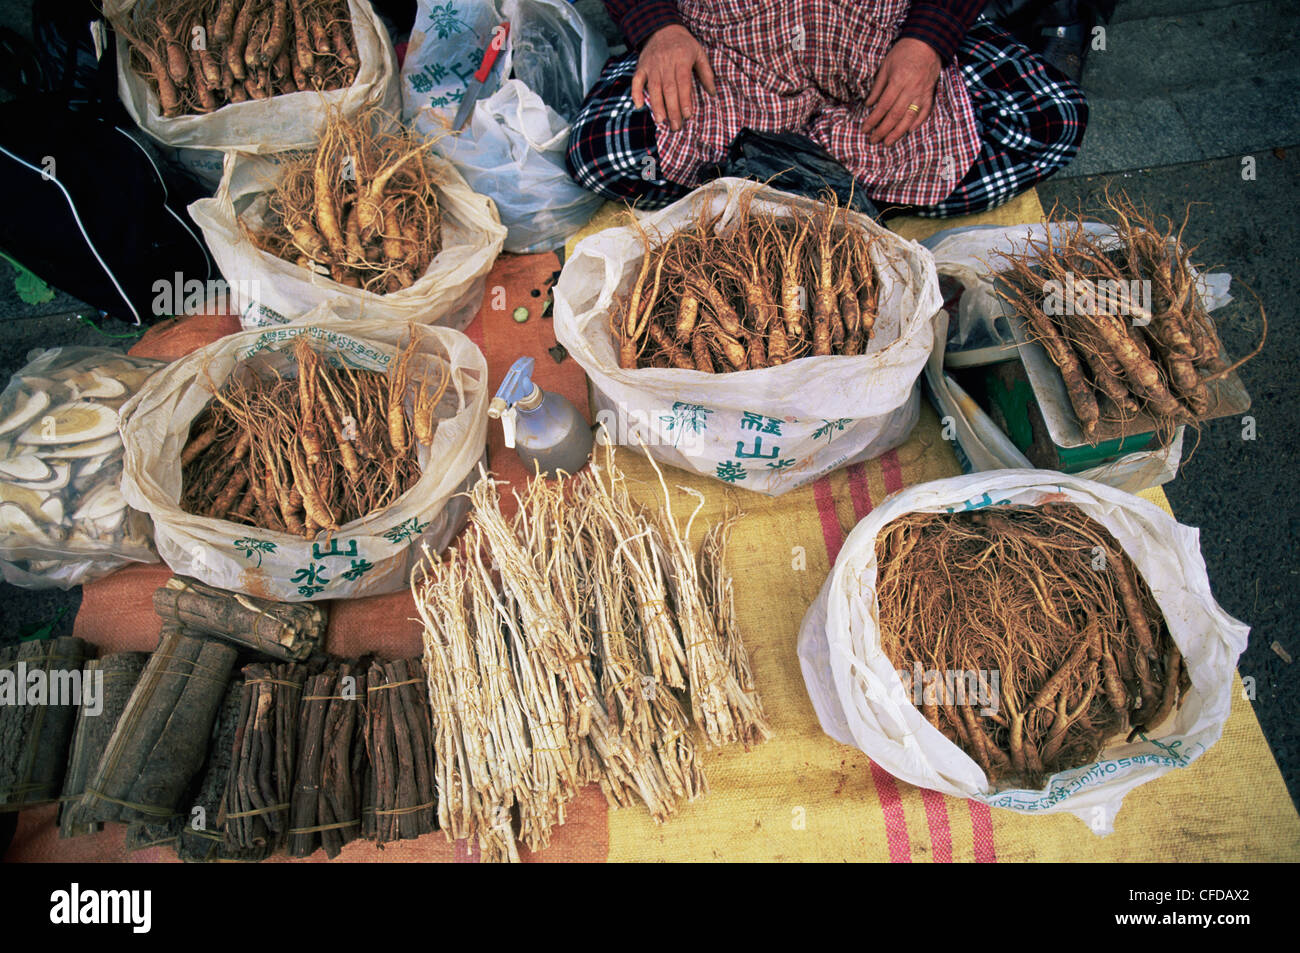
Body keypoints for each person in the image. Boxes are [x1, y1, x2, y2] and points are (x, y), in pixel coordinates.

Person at [566, 0, 1088, 217]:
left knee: (1053, 115)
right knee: (597, 152)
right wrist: (657, 26)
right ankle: (819, 190)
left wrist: (930, 41)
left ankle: (817, 193)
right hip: (728, 55)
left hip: (876, 48)